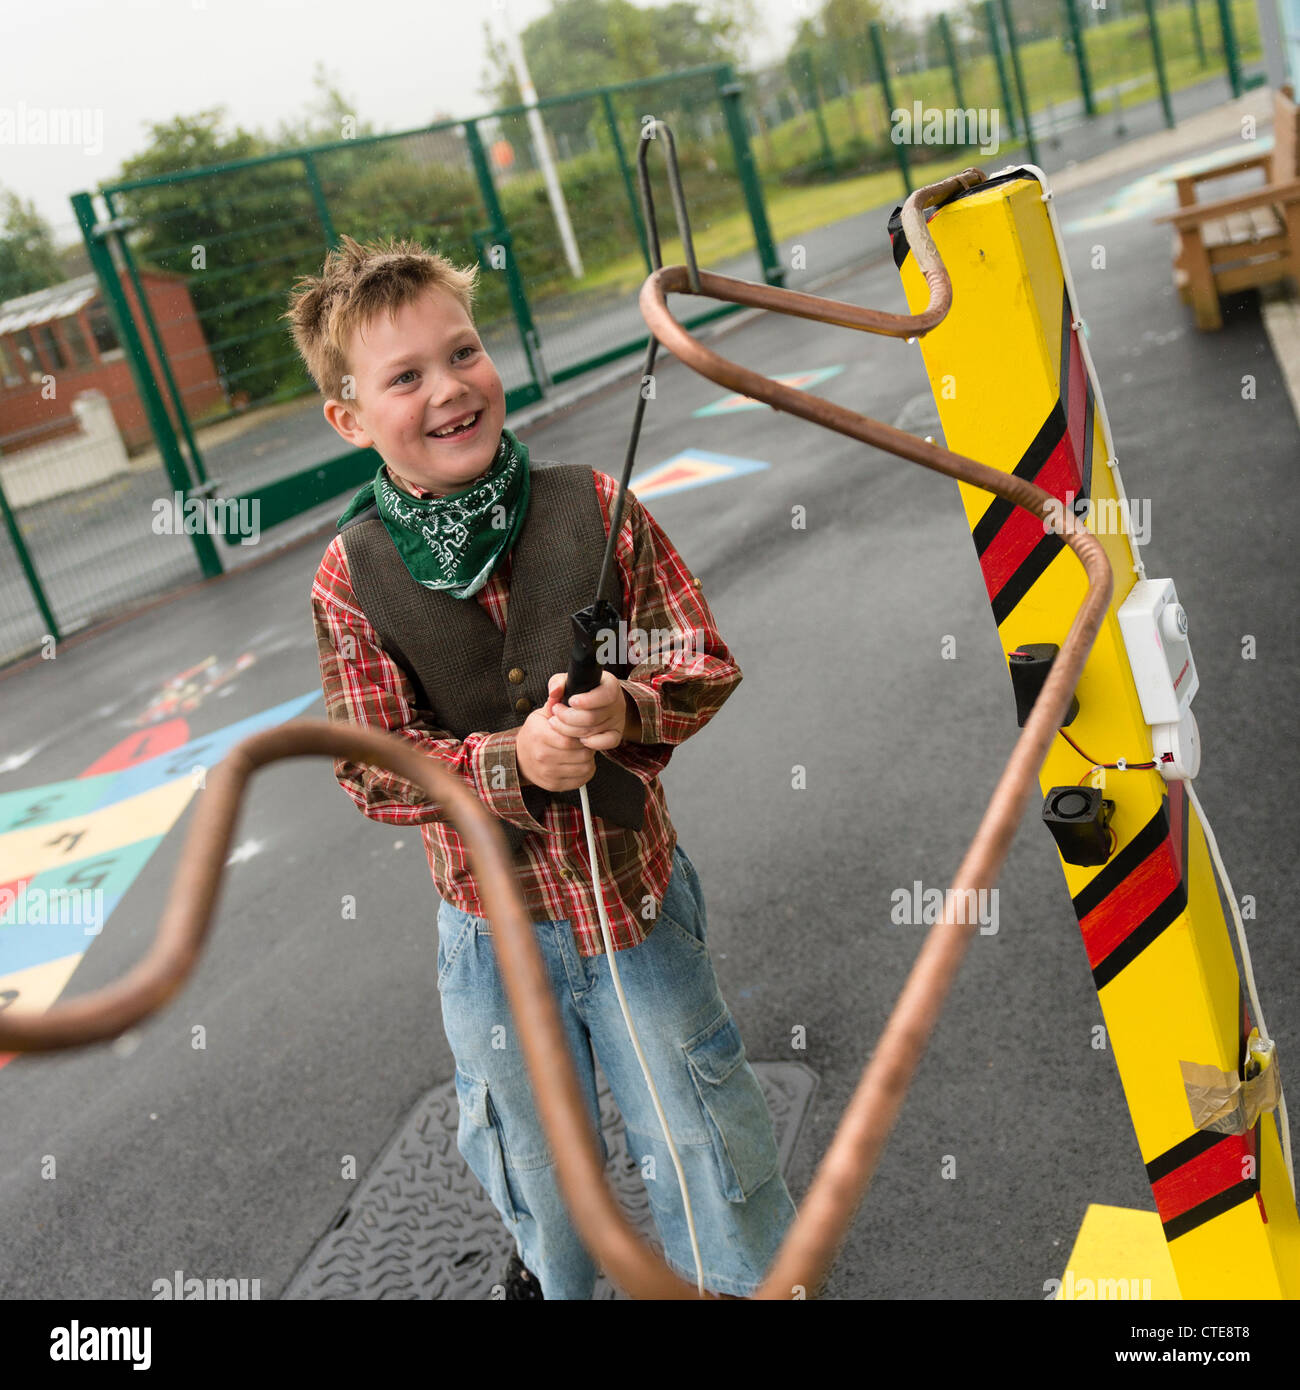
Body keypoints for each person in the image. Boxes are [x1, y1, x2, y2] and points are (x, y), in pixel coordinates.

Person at [283, 234, 796, 1299]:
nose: (450, 389)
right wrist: (511, 763)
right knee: (537, 1164)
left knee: (703, 1131)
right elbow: (373, 766)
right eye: (406, 376)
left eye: (462, 352)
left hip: (634, 899)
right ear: (349, 417)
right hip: (491, 935)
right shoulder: (351, 574)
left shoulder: (591, 505)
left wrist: (627, 703)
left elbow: (697, 655)